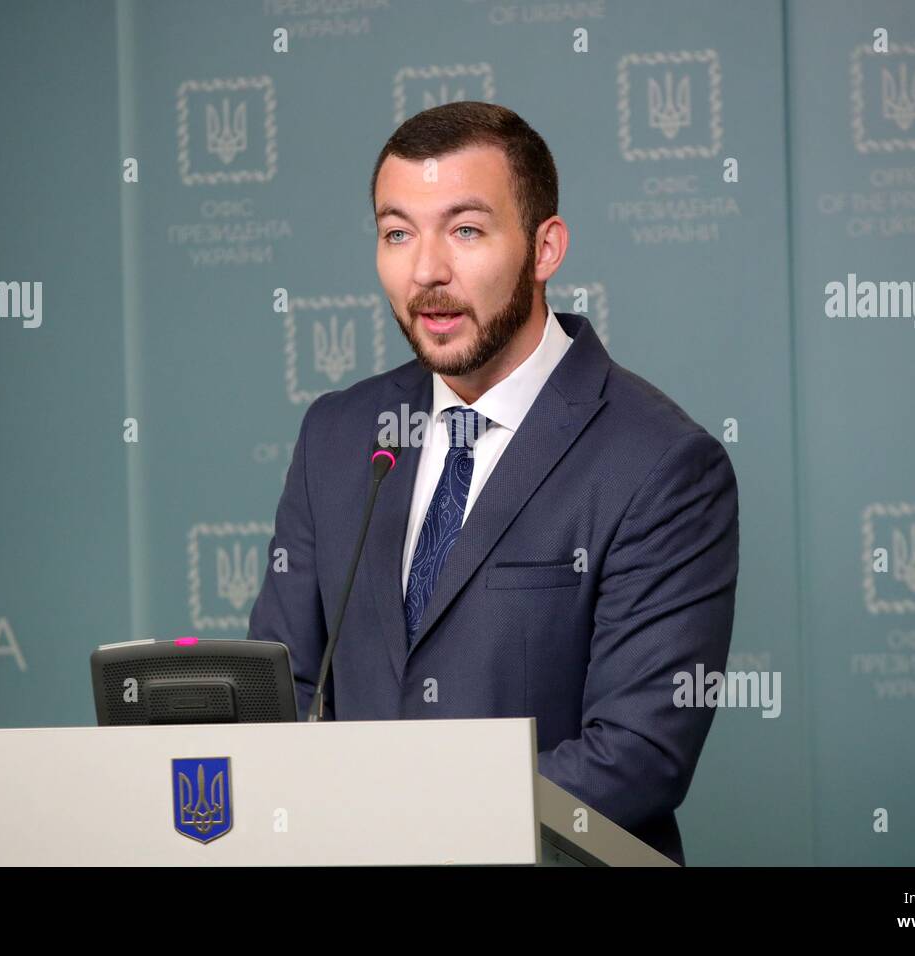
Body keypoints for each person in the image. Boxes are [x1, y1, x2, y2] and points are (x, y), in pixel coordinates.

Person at [248, 101, 739, 865]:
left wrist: (397, 827)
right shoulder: (338, 436)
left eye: (466, 230)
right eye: (397, 233)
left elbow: (637, 758)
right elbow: (283, 697)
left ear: (546, 248)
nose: (426, 271)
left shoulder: (663, 463)